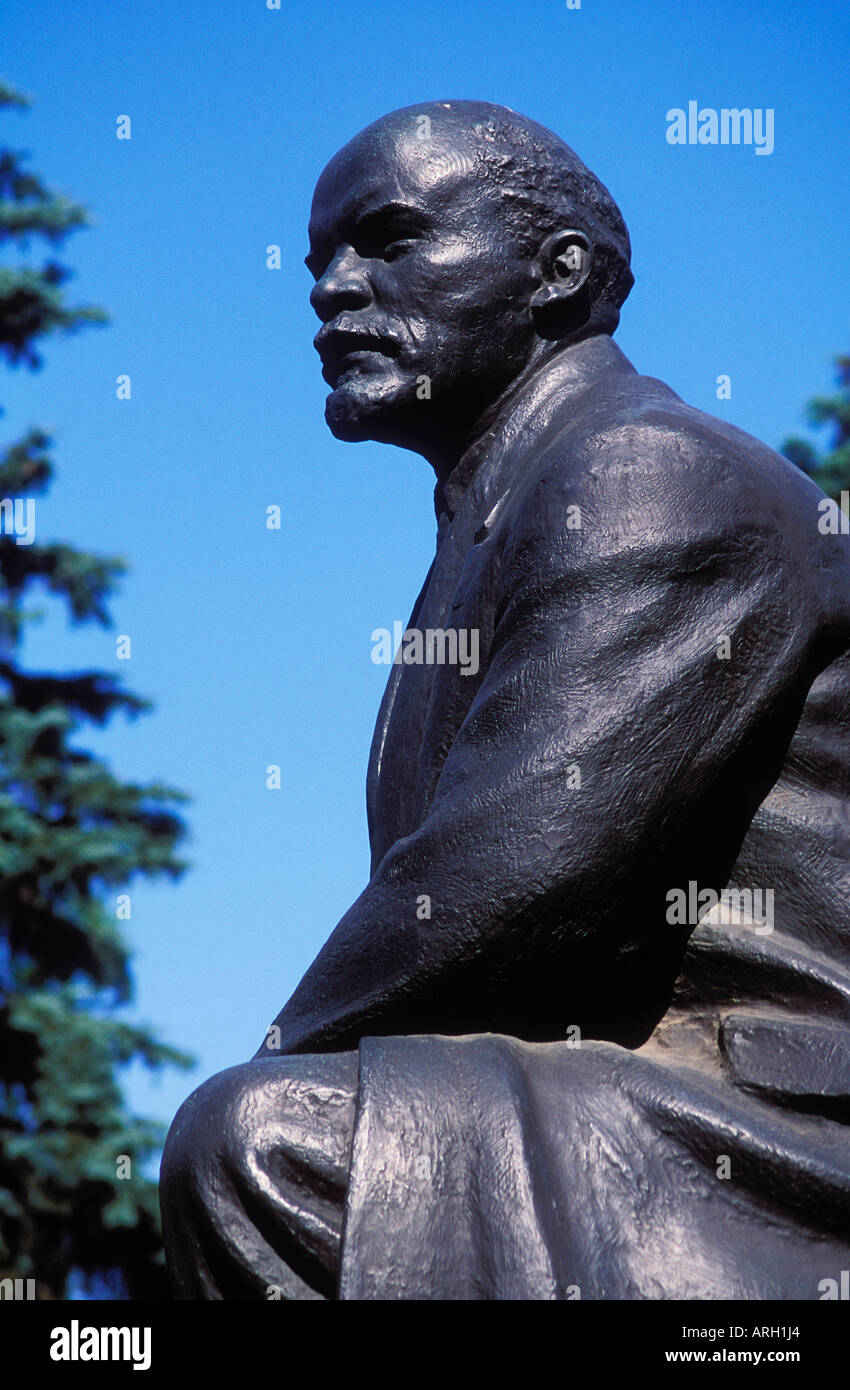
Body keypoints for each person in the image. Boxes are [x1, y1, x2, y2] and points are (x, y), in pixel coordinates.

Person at [161, 101, 850, 1301]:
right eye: (319, 256)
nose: (331, 286)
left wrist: (272, 1053)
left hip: (764, 1118)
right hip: (622, 1080)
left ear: (556, 274)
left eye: (387, 238)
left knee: (256, 1141)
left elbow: (515, 875)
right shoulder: (502, 508)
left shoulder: (641, 472)